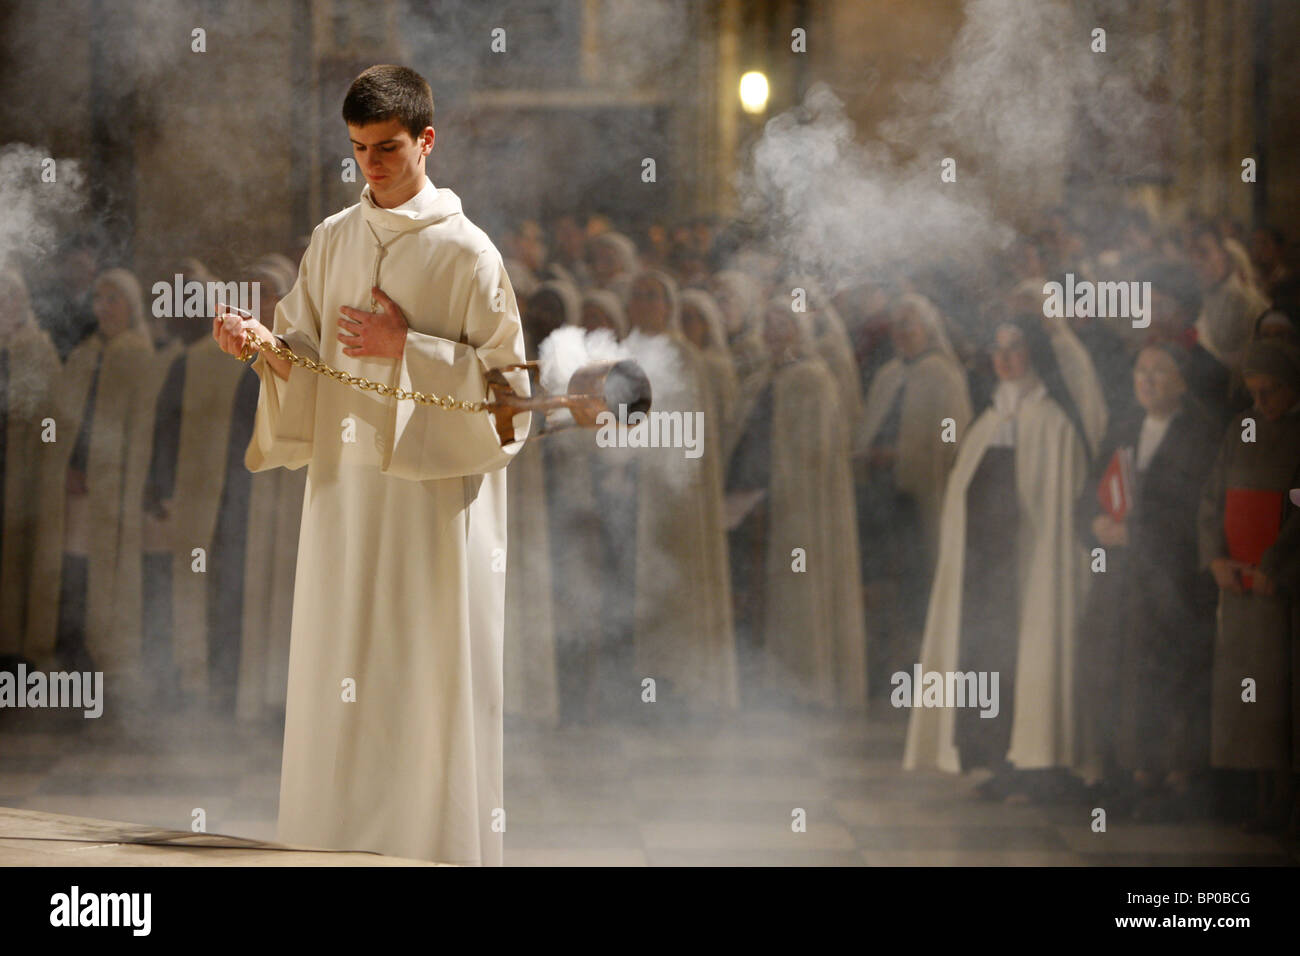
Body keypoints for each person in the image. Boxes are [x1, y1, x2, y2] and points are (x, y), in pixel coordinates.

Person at [212, 64, 530, 866]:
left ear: (428, 139)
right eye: (358, 150)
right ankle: (334, 849)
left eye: (387, 148)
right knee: (343, 673)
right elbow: (309, 357)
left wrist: (408, 349)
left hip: (428, 515)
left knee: (421, 686)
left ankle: (433, 849)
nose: (371, 167)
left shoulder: (468, 251)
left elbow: (511, 405)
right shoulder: (332, 240)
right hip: (347, 503)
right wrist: (267, 351)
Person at [904, 315, 1089, 802]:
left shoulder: (1054, 426)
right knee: (988, 660)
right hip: (985, 578)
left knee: (1032, 660)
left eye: (1016, 347)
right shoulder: (986, 424)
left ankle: (1041, 766)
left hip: (1033, 574)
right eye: (998, 349)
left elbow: (1062, 515)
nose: (1005, 359)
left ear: (1034, 354)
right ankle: (1001, 758)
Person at [1075, 344, 1219, 819]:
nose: (1148, 381)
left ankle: (1173, 776)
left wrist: (1132, 532)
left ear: (1182, 381)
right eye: (1141, 371)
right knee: (1114, 669)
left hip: (1172, 583)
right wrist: (1096, 525)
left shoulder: (1200, 436)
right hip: (1118, 579)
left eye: (1160, 372)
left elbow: (1193, 509)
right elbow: (1091, 496)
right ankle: (1125, 768)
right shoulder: (1122, 429)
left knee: (1166, 675)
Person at [1197, 338, 1300, 830]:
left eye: (1271, 392)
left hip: (1277, 588)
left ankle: (1284, 796)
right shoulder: (1242, 430)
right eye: (1254, 393)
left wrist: (1276, 567)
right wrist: (1214, 556)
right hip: (1237, 581)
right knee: (1245, 690)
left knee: (1279, 691)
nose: (1261, 404)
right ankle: (1253, 793)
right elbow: (1214, 496)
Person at [857, 293, 972, 690]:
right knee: (883, 587)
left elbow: (952, 438)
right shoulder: (888, 375)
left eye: (910, 324)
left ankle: (923, 674)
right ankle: (886, 667)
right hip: (880, 497)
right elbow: (869, 426)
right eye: (897, 325)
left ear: (928, 328)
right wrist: (869, 454)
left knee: (920, 585)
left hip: (919, 499)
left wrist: (903, 455)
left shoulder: (943, 375)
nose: (901, 333)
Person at [53, 268, 156, 682]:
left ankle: (111, 664)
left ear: (131, 306)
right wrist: (68, 465)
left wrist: (130, 480)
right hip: (77, 485)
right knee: (75, 569)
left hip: (115, 485)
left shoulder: (138, 354)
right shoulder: (83, 354)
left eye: (113, 299)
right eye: (99, 298)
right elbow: (63, 420)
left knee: (112, 570)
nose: (104, 307)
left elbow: (142, 429)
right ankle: (74, 659)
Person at [0, 267, 63, 670]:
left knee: (16, 556)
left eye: (12, 294)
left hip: (20, 469)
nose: (6, 301)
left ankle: (11, 652)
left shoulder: (39, 349)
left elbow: (53, 416)